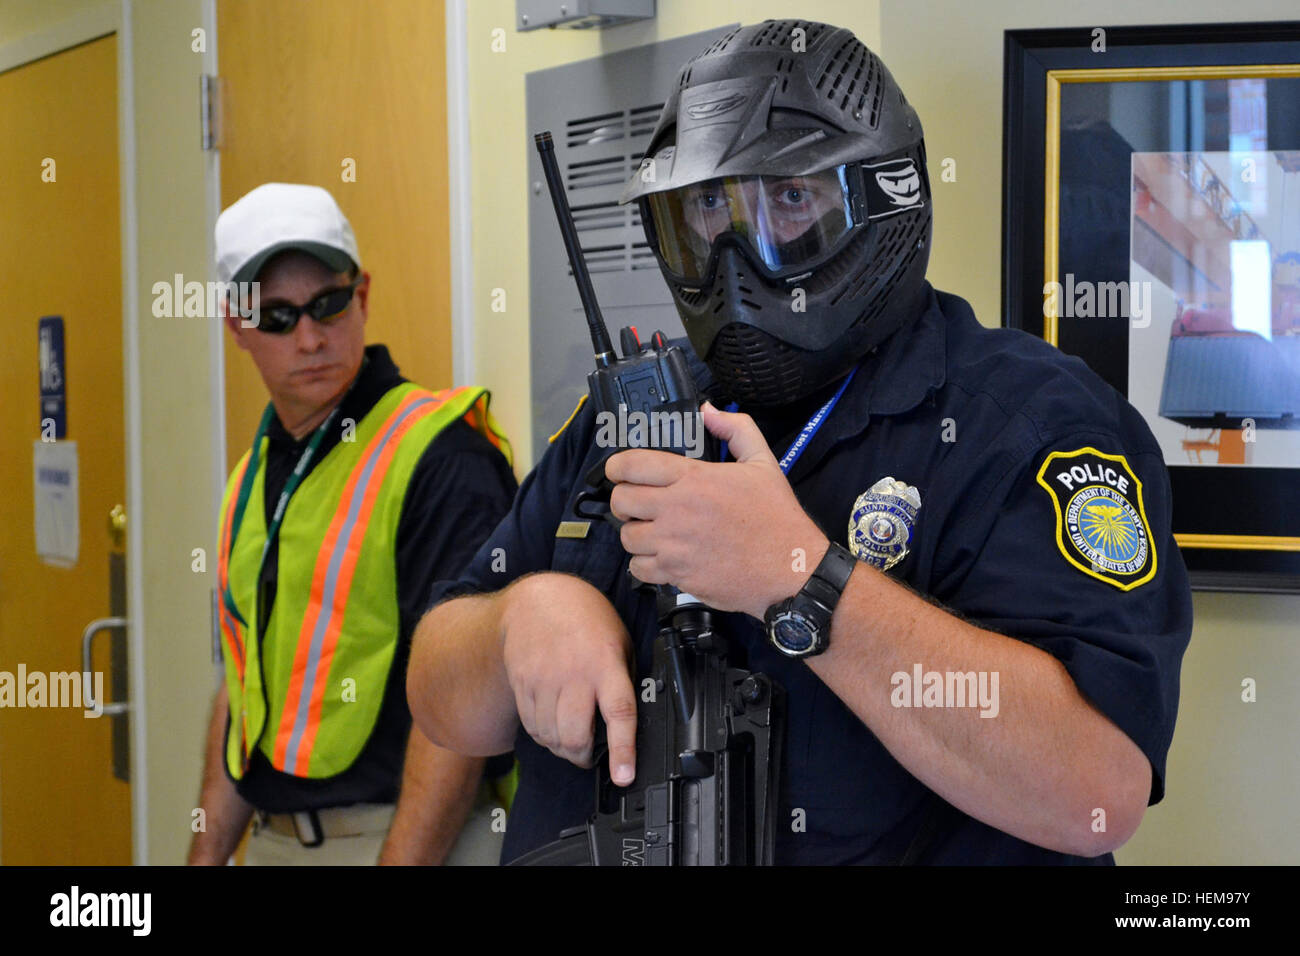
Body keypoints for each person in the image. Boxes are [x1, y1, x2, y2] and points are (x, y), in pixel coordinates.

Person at [406, 20, 1193, 864]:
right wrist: (519, 620)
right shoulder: (627, 416)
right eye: (706, 208)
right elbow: (438, 697)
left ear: (885, 197)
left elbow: (1095, 794)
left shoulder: (1030, 424)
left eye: (788, 199)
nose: (733, 254)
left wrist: (800, 583)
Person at [188, 183, 517, 865]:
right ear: (236, 326)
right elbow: (242, 689)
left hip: (409, 840)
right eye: (276, 316)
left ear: (361, 295)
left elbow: (461, 700)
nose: (309, 338)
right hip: (279, 843)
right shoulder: (251, 478)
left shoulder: (441, 454)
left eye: (328, 305)